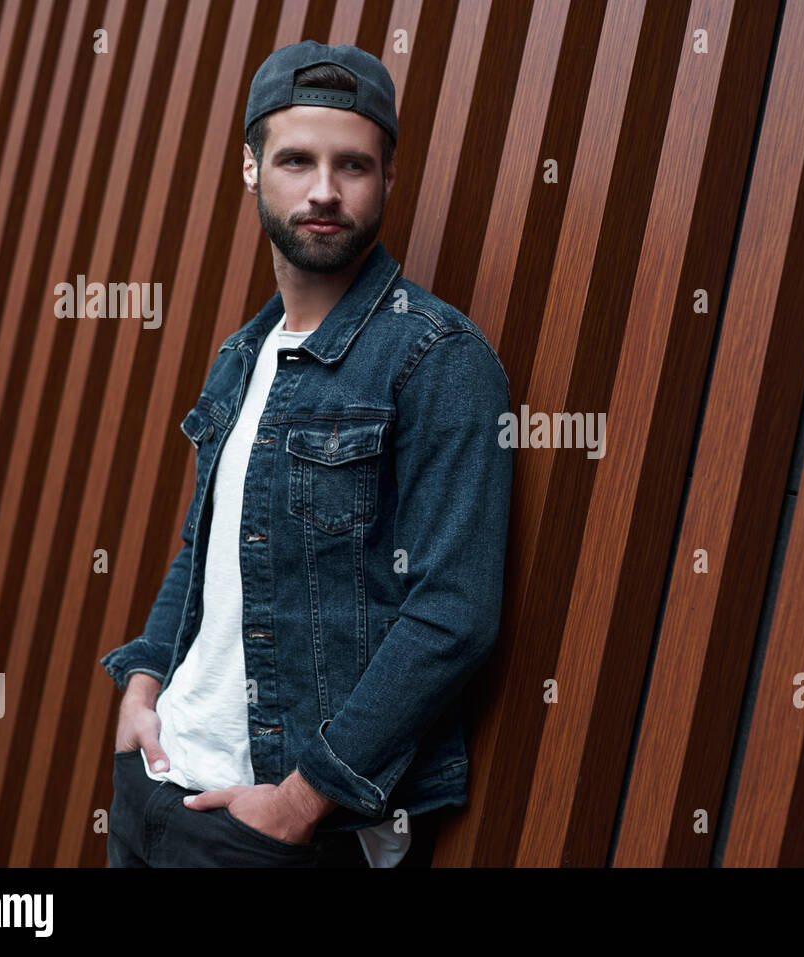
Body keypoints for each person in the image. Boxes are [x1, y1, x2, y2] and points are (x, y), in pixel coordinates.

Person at [100, 41, 513, 868]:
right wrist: (142, 684)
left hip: (281, 833)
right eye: (296, 160)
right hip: (158, 786)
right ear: (251, 171)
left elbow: (453, 614)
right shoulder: (242, 355)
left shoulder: (436, 358)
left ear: (390, 178)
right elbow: (203, 547)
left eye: (352, 165)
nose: (324, 191)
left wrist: (300, 800)